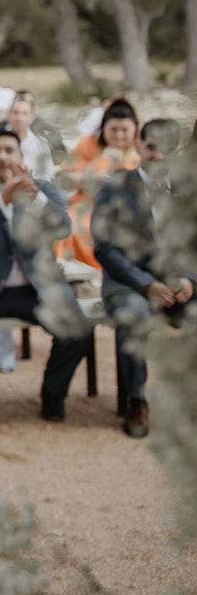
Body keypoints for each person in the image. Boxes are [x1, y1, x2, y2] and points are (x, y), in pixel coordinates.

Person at [0, 127, 92, 422]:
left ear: (21, 156)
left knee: (78, 330)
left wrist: (33, 199)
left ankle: (53, 394)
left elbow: (62, 227)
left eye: (9, 150)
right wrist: (4, 199)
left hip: (34, 289)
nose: (2, 157)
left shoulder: (42, 189)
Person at [90, 118, 191, 438]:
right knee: (134, 316)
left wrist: (190, 278)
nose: (158, 155)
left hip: (178, 285)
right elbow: (104, 248)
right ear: (139, 146)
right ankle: (136, 401)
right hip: (128, 283)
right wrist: (146, 284)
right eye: (151, 147)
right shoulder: (113, 188)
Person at [56, 97, 140, 268]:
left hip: (131, 207)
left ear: (135, 129)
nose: (119, 135)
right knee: (73, 228)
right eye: (113, 129)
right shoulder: (89, 144)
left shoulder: (142, 148)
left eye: (124, 130)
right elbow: (63, 176)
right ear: (104, 128)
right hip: (88, 204)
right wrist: (93, 179)